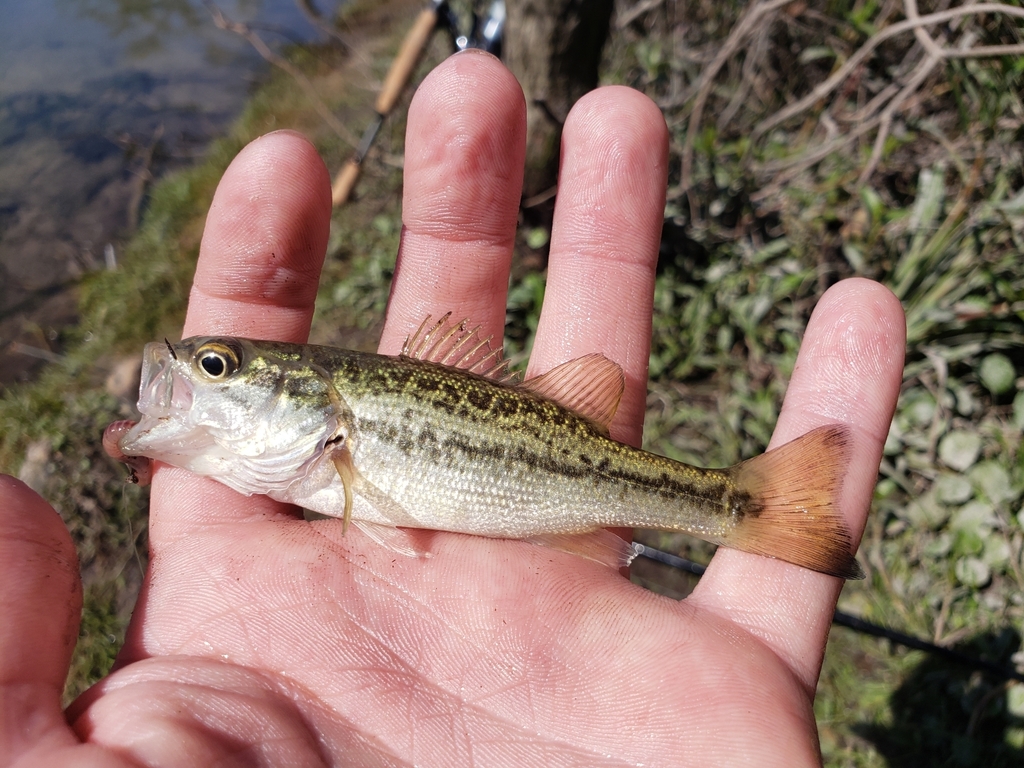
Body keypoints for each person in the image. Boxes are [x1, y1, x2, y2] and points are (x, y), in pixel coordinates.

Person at [0, 51, 904, 766]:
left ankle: (740, 506)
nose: (194, 372)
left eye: (216, 364)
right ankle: (738, 504)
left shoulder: (342, 435)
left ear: (316, 407)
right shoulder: (316, 444)